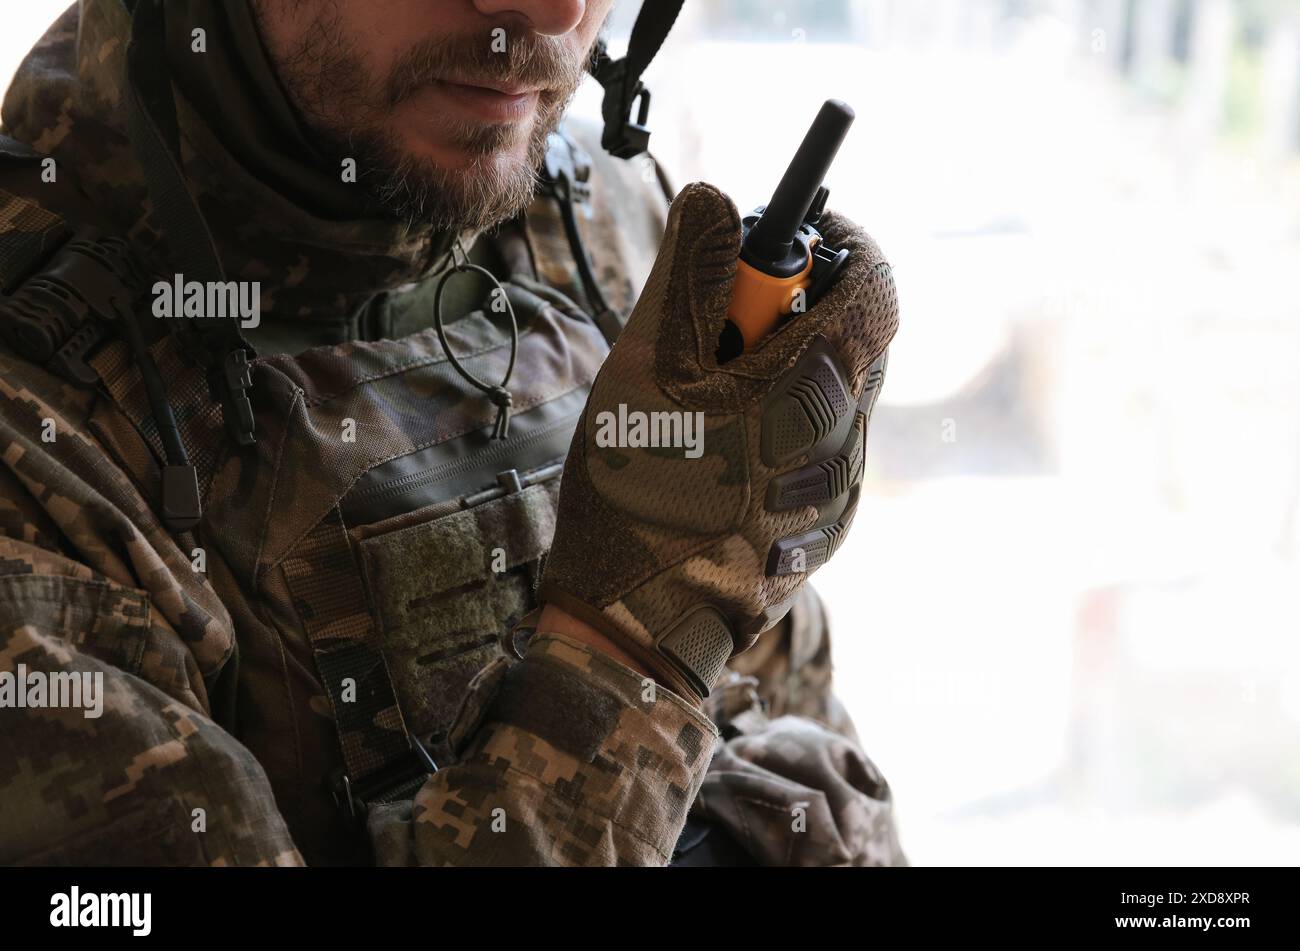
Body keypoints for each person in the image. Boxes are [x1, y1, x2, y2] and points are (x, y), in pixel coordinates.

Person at [0, 0, 904, 866]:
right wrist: (633, 643)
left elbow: (788, 706)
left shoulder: (595, 216)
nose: (556, 12)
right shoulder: (31, 429)